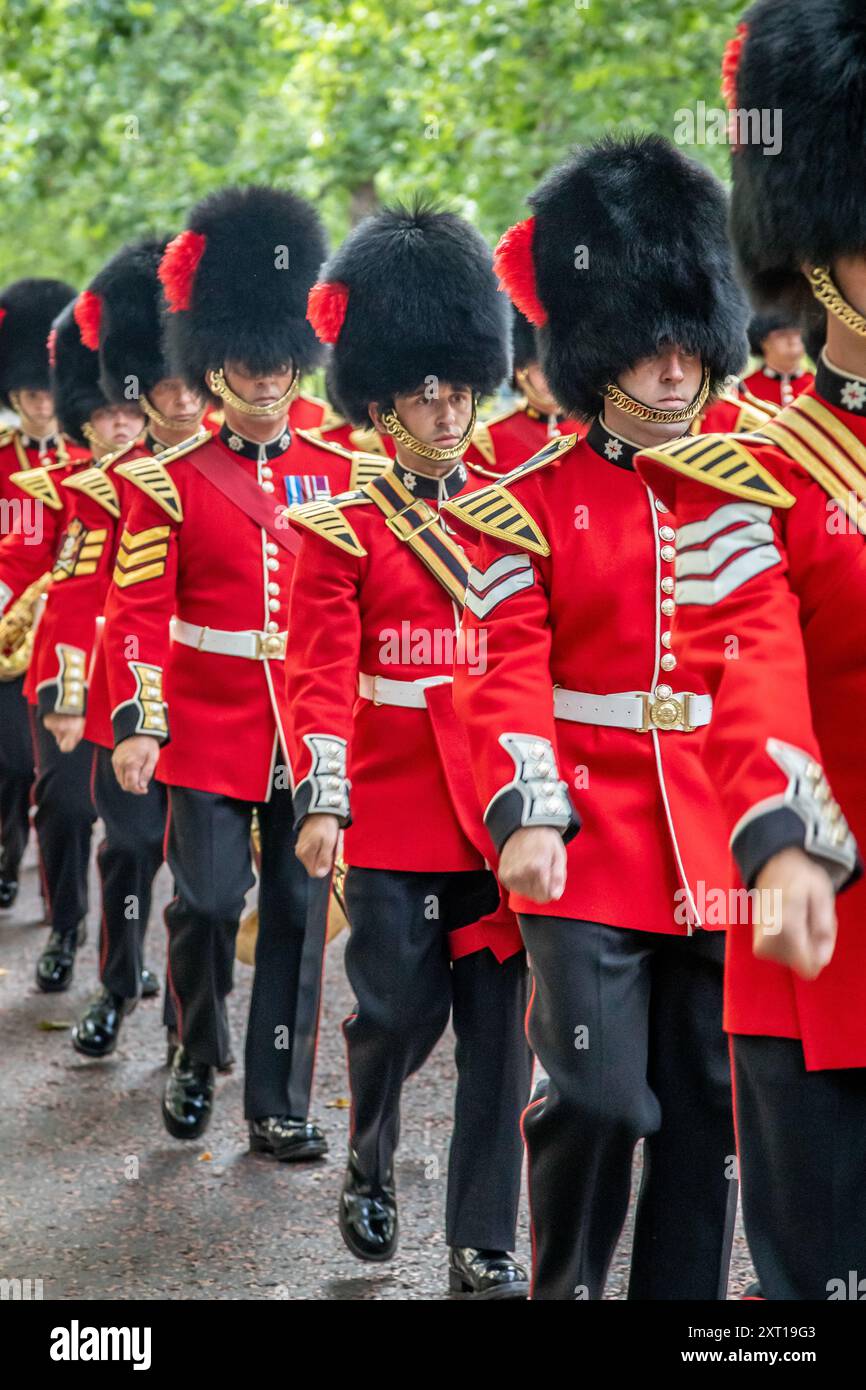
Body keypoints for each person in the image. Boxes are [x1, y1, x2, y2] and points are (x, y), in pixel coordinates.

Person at [447, 133, 748, 1300]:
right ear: (592, 350)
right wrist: (525, 803)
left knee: (708, 1101)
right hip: (580, 835)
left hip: (717, 833)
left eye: (688, 343)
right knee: (593, 1089)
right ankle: (561, 1281)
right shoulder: (524, 501)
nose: (673, 368)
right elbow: (501, 662)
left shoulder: (749, 482)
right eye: (646, 344)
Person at [634, 0, 866, 1300]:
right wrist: (778, 834)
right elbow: (740, 653)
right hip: (824, 943)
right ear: (815, 255)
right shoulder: (752, 466)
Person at [287, 203, 531, 1297]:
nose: (445, 411)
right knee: (393, 1011)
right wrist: (324, 796)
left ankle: (481, 1229)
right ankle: (369, 1156)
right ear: (381, 405)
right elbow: (320, 673)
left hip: (496, 812)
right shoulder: (340, 528)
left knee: (501, 1037)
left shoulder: (512, 519)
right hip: (389, 808)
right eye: (423, 393)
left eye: (458, 389)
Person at [102, 185, 374, 1151]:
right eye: (248, 362)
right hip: (210, 724)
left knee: (300, 923)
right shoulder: (168, 483)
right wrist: (140, 720)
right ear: (215, 364)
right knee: (210, 903)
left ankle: (277, 1105)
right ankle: (193, 1044)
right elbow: (137, 609)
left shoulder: (345, 471)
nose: (266, 376)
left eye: (279, 360)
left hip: (306, 736)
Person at [32, 239, 207, 1048]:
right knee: (131, 851)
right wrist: (67, 699)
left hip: (222, 707)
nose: (170, 397)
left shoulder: (245, 468)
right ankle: (113, 984)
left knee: (206, 888)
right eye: (157, 383)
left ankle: (186, 1035)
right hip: (130, 697)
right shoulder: (114, 485)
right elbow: (75, 596)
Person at [0, 277, 78, 910]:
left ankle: (57, 903)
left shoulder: (86, 460)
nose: (41, 406)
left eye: (48, 393)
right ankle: (7, 851)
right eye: (29, 394)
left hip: (64, 637)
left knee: (44, 777)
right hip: (4, 630)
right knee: (9, 766)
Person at [468, 304, 583, 471]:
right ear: (521, 371)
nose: (552, 377)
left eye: (559, 366)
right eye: (542, 369)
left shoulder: (594, 429)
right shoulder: (487, 442)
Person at [743, 311, 813, 408]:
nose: (793, 339)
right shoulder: (746, 389)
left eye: (797, 332)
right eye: (782, 334)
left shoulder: (816, 386)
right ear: (764, 342)